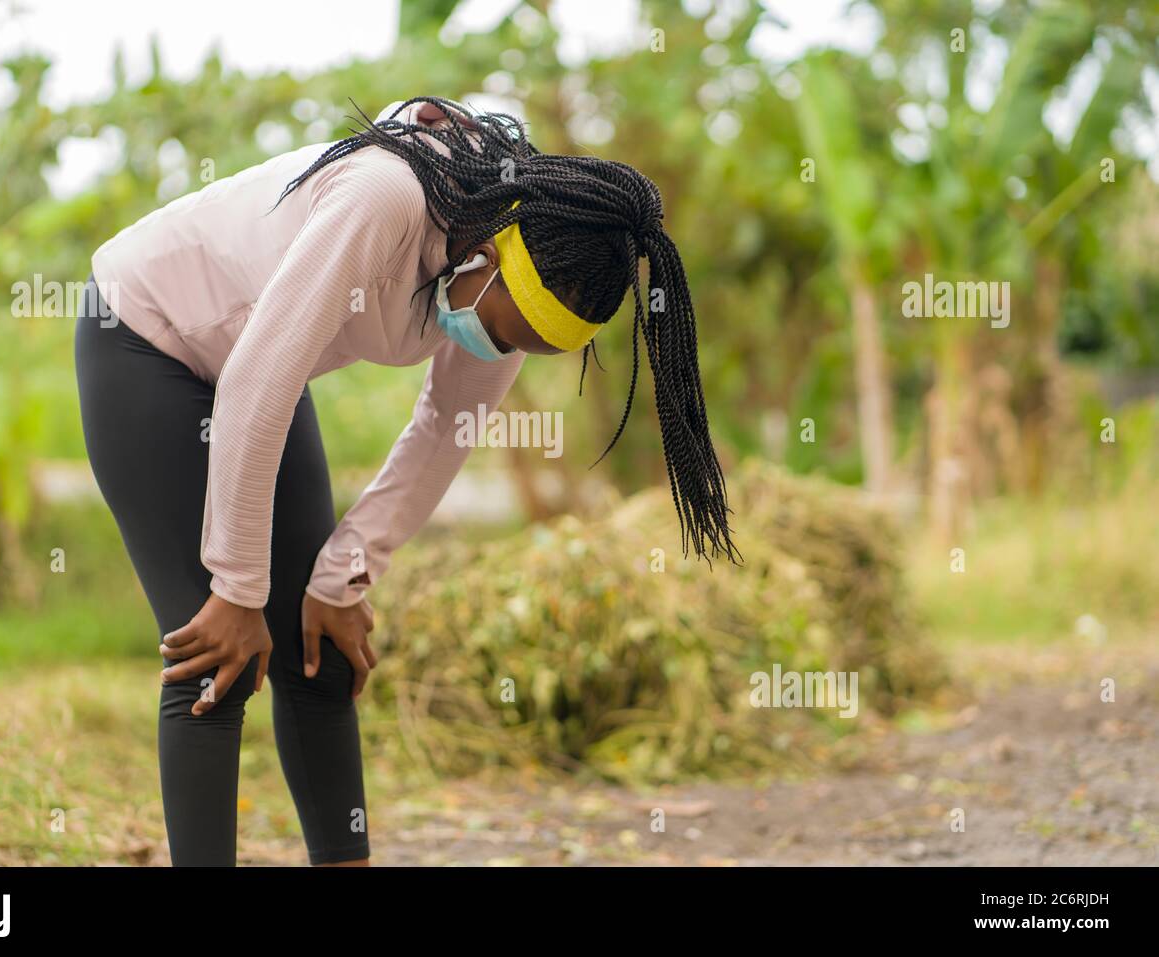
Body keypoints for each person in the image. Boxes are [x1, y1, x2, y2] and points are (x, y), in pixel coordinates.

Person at [73, 95, 738, 867]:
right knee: (217, 661)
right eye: (499, 332)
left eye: (518, 348)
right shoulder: (383, 197)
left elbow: (443, 429)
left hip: (256, 374)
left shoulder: (516, 283)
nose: (494, 351)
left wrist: (346, 574)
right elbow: (258, 379)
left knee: (321, 654)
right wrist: (236, 587)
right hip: (145, 339)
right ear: (486, 255)